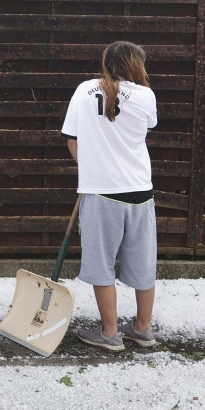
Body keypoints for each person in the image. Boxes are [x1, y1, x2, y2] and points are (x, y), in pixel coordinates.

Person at [61, 41, 158, 352]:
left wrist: (91, 167)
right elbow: (146, 128)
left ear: (106, 63)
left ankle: (110, 332)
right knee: (143, 261)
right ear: (137, 65)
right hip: (141, 190)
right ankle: (142, 328)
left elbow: (72, 139)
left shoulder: (84, 90)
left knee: (101, 263)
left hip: (101, 191)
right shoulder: (146, 95)